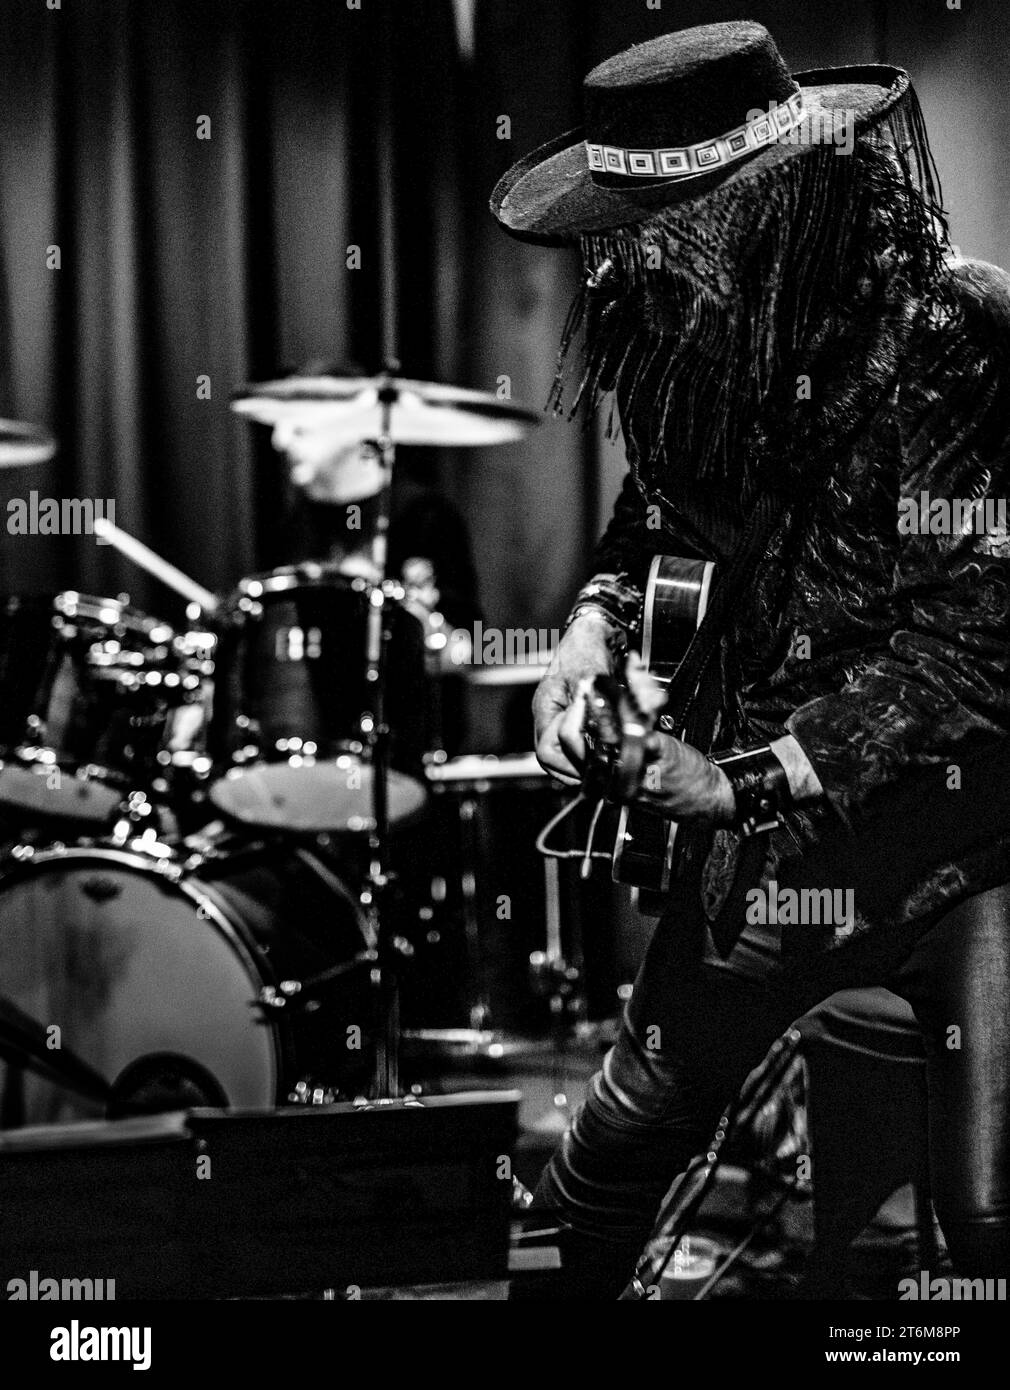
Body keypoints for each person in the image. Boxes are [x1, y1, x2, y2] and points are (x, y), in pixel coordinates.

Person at [491, 21, 1010, 1297]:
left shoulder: (948, 328)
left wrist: (740, 780)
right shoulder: (674, 322)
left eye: (665, 221)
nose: (635, 253)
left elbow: (970, 642)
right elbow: (659, 514)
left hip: (966, 850)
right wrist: (591, 626)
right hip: (776, 859)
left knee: (988, 1220)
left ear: (772, 192)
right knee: (598, 1171)